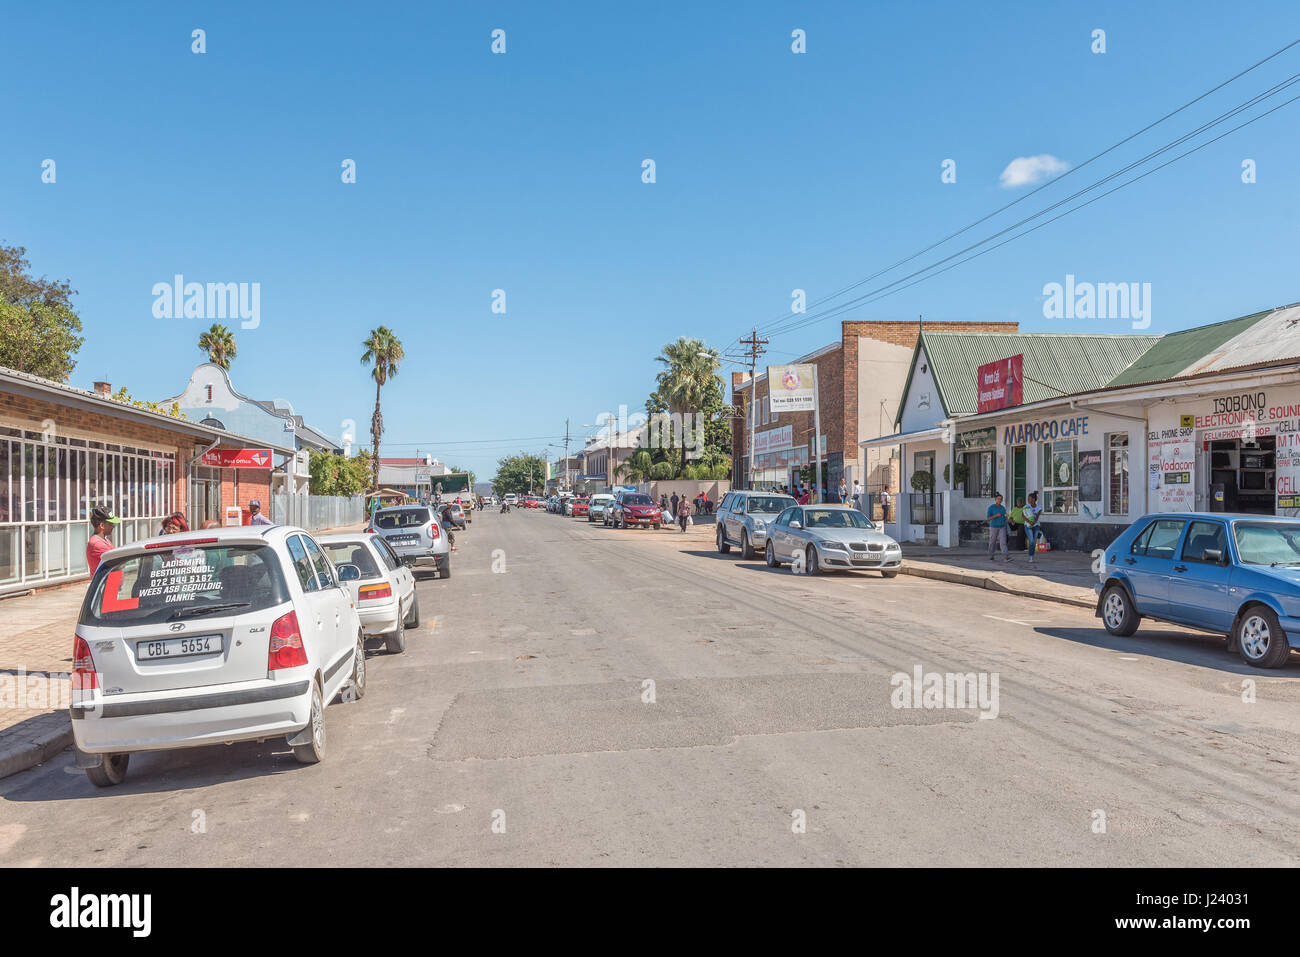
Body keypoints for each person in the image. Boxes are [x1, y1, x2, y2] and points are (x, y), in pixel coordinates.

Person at [86, 506, 120, 575]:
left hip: (111, 583)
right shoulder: (97, 544)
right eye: (110, 524)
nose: (113, 526)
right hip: (106, 585)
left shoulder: (105, 539)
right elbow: (118, 561)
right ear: (102, 525)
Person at [986, 493, 1010, 562]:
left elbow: (1005, 516)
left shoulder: (1003, 508)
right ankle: (991, 555)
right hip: (994, 527)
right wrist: (995, 515)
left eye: (1001, 499)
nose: (1000, 500)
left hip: (1002, 526)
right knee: (992, 542)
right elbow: (988, 518)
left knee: (1003, 542)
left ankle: (1006, 557)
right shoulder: (991, 508)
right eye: (998, 499)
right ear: (995, 499)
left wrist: (1008, 518)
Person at [1022, 491, 1043, 563]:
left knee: (1034, 542)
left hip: (1036, 525)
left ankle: (1032, 556)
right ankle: (1030, 556)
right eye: (1028, 499)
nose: (1028, 500)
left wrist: (1033, 522)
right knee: (1031, 540)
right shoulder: (1026, 507)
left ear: (1034, 499)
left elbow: (1037, 516)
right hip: (1027, 525)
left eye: (1030, 498)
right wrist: (1029, 522)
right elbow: (1023, 516)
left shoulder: (1039, 507)